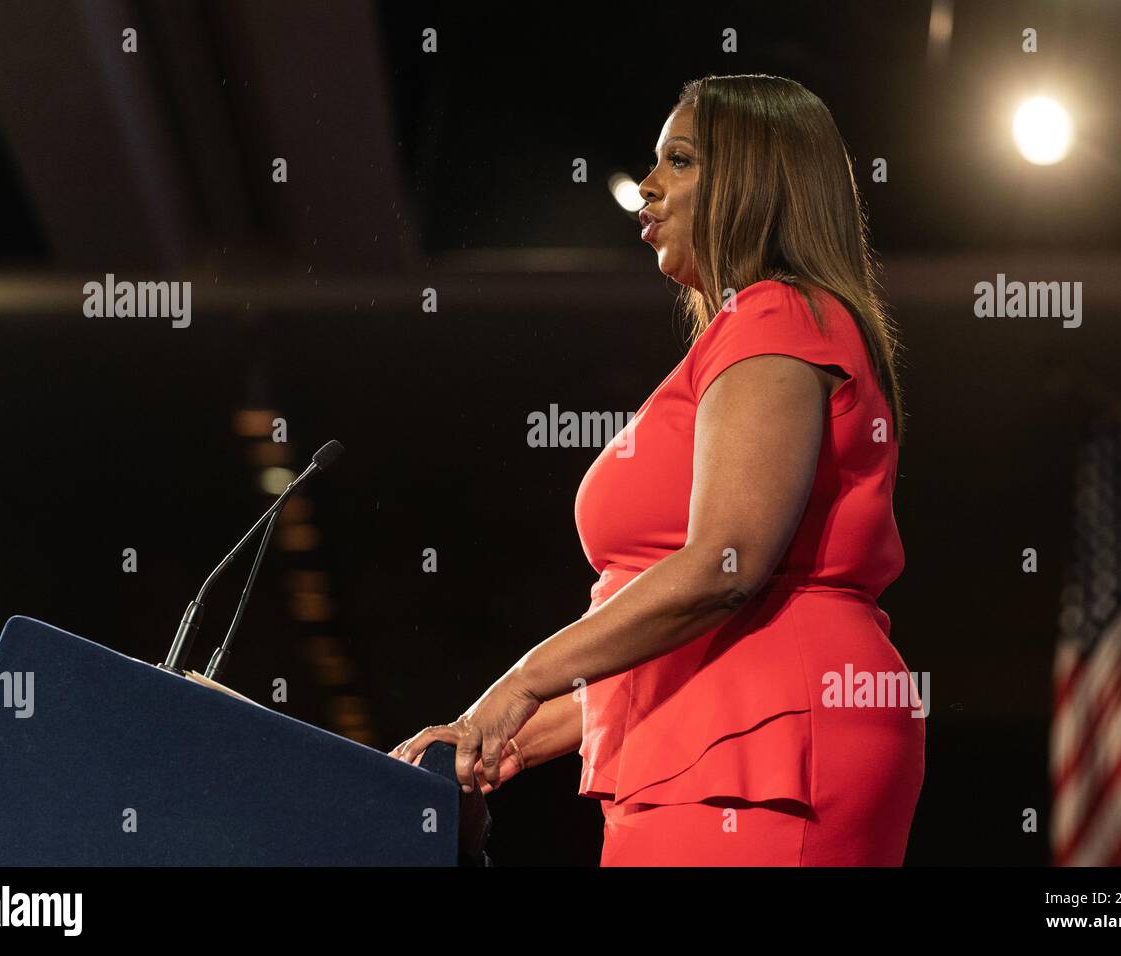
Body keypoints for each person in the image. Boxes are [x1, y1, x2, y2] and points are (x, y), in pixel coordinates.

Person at [391, 73, 925, 866]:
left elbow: (724, 566)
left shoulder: (776, 316)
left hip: (766, 748)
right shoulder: (748, 332)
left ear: (756, 178)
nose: (647, 186)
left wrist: (523, 680)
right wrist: (494, 738)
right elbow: (679, 642)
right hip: (711, 743)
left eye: (680, 161)